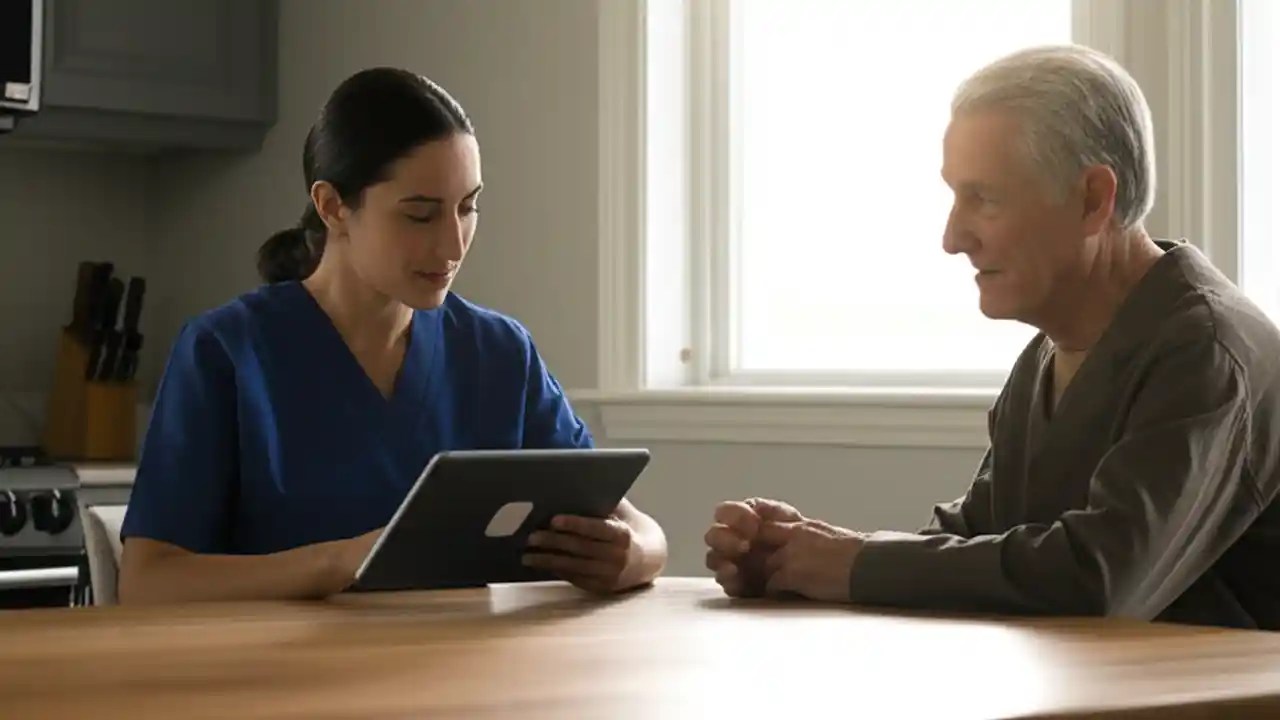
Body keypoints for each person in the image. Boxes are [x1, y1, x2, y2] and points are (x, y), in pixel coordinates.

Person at [704, 44, 1280, 629]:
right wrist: (799, 558)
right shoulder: (1048, 355)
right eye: (955, 195)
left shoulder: (1207, 352)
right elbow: (979, 539)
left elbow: (1100, 579)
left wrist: (851, 563)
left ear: (1092, 200)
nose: (953, 238)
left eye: (985, 198)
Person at [118, 67, 667, 604]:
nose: (453, 244)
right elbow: (148, 582)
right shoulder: (225, 352)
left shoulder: (499, 354)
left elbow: (635, 526)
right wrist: (341, 562)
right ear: (332, 206)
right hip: (281, 684)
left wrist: (634, 555)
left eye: (468, 207)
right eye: (421, 215)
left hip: (463, 681)